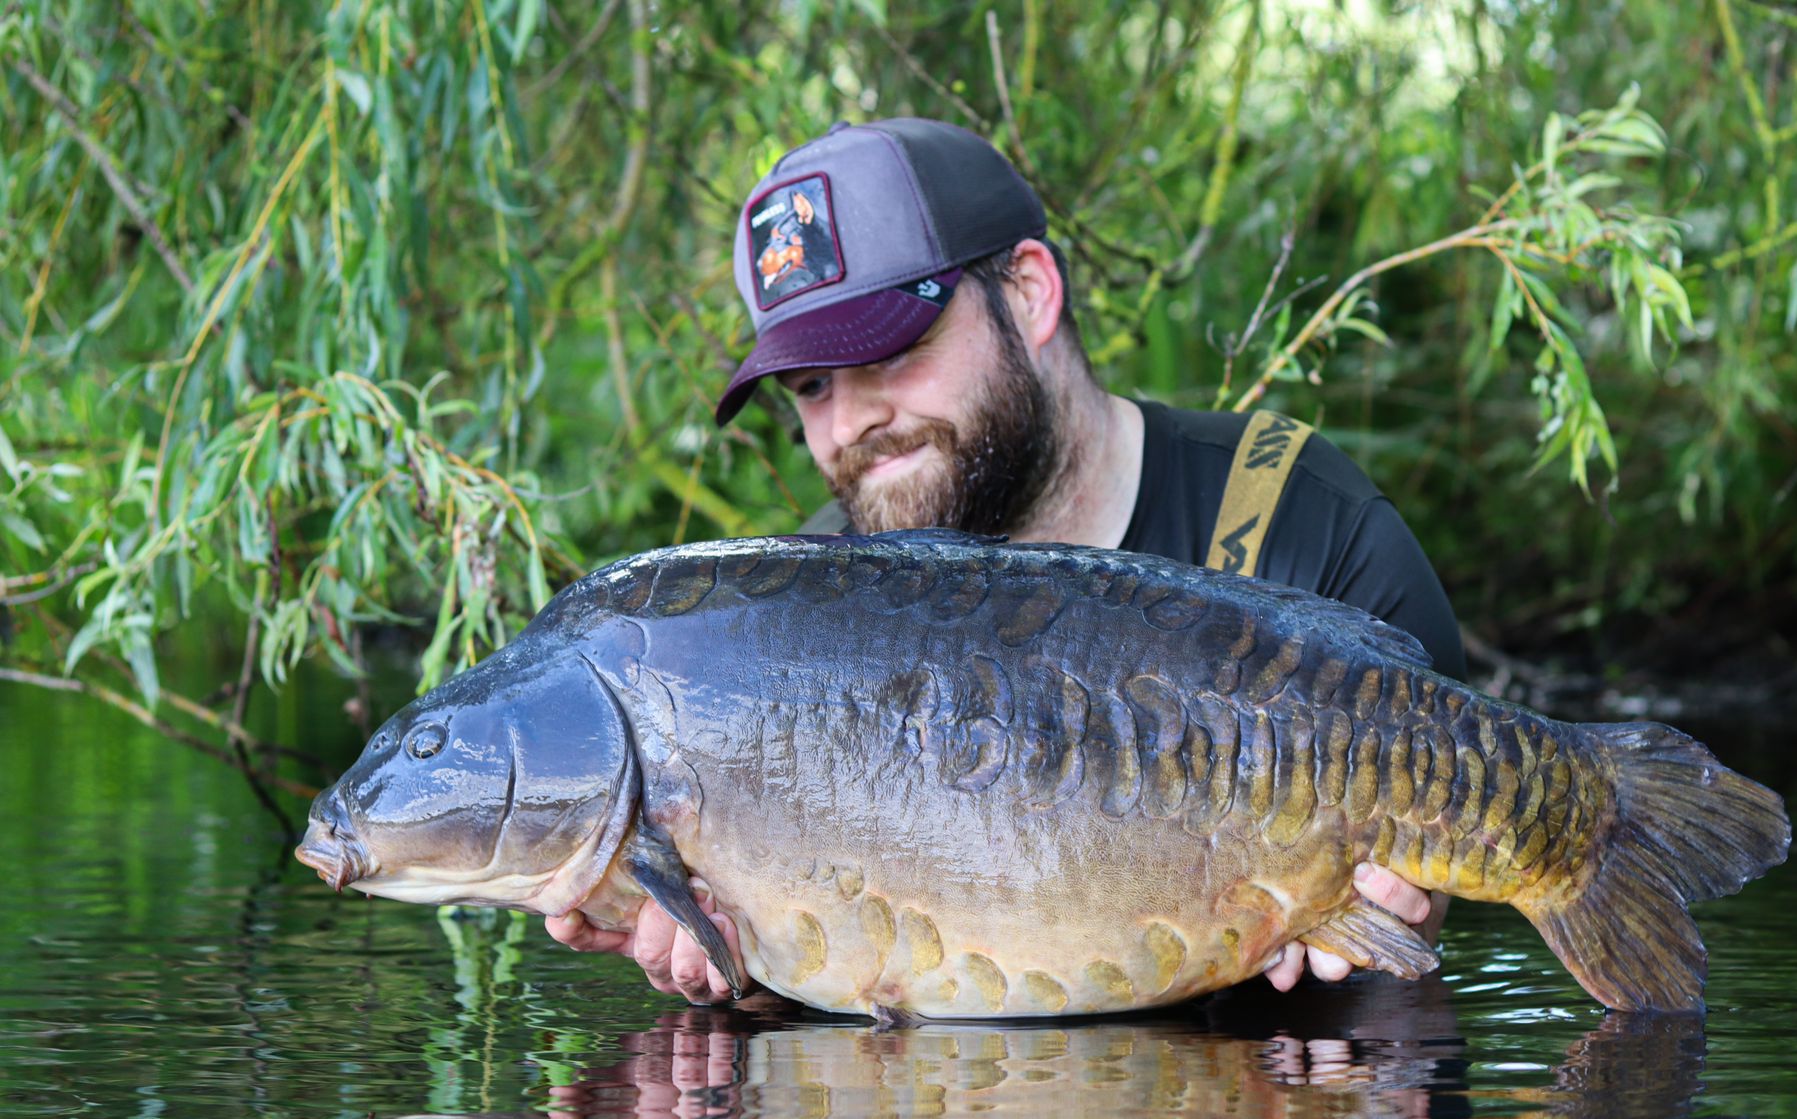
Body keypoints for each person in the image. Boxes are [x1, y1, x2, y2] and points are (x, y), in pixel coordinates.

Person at [549, 117, 1465, 1003]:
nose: (847, 422)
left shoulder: (1298, 519)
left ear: (1028, 291)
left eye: (893, 349)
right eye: (810, 386)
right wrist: (741, 968)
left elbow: (1431, 943)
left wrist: (1410, 915)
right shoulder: (794, 614)